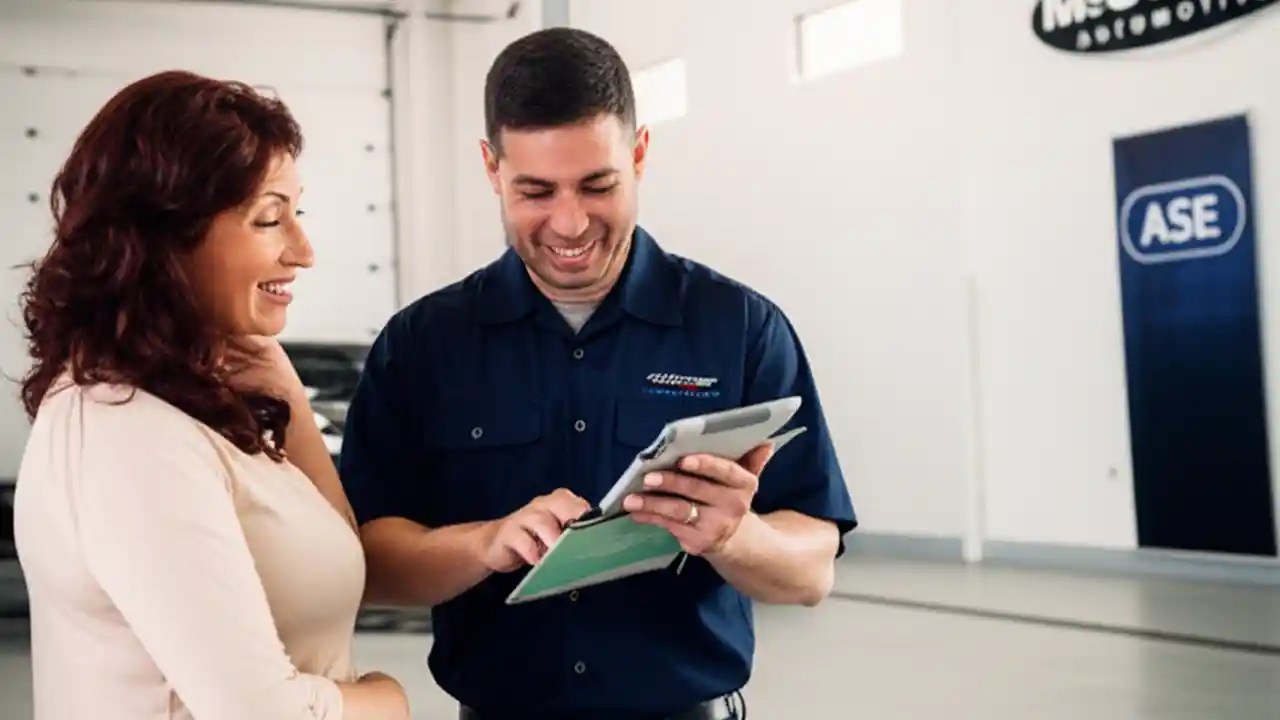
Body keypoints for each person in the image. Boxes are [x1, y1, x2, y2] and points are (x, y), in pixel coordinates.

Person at [340, 27, 857, 720]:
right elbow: (370, 566)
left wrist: (736, 536)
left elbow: (812, 569)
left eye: (597, 184)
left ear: (639, 153)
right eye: (535, 190)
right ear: (490, 167)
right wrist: (484, 543)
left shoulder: (739, 329)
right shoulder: (423, 347)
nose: (570, 222)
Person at [13, 70, 410, 720]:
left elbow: (344, 556)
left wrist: (287, 392)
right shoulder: (125, 429)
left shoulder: (208, 392)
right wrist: (387, 703)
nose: (303, 251)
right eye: (270, 218)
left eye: (296, 213)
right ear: (168, 237)